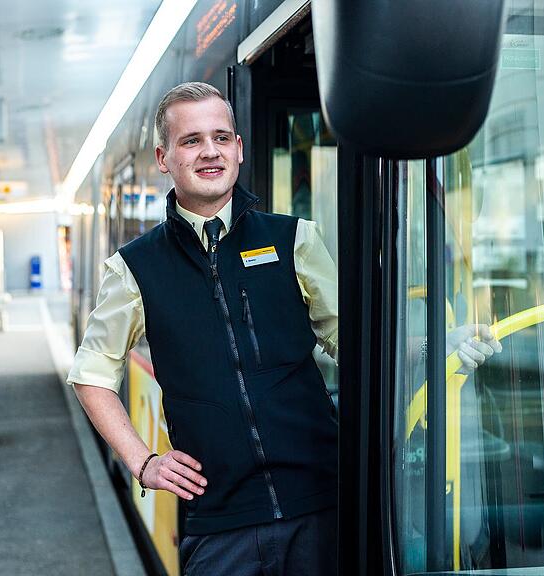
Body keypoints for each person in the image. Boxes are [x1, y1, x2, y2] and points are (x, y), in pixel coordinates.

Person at [67, 82, 501, 575]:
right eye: (192, 141)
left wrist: (435, 346)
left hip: (322, 507)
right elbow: (92, 377)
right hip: (219, 522)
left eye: (221, 137)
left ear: (239, 149)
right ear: (164, 158)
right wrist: (143, 462)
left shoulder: (294, 239)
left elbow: (353, 344)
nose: (210, 151)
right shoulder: (134, 268)